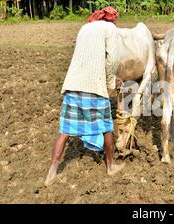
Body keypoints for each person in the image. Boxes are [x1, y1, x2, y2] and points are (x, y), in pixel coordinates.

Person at [44, 7, 125, 187]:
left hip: (73, 85)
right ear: (112, 19)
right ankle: (110, 166)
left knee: (65, 130)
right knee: (106, 127)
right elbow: (113, 59)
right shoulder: (110, 29)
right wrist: (112, 83)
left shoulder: (85, 27)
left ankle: (51, 173)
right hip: (94, 86)